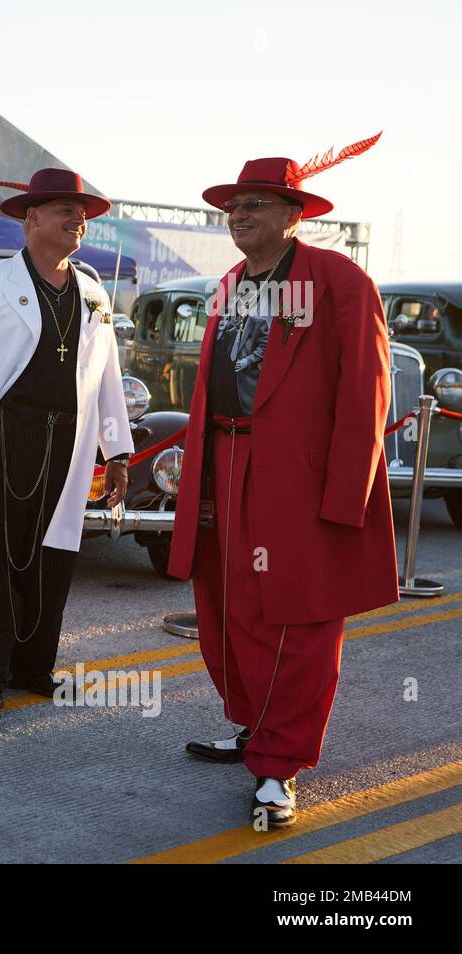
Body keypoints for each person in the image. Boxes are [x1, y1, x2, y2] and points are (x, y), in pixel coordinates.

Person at [168, 140, 397, 828]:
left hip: (296, 477)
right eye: (232, 206)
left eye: (253, 204)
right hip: (226, 467)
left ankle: (280, 766)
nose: (238, 214)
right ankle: (252, 726)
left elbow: (368, 389)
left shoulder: (337, 280)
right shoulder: (230, 285)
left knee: (296, 619)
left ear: (292, 213)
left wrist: (344, 496)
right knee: (227, 602)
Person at [0, 168, 133, 730]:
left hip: (68, 437)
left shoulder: (93, 291)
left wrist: (116, 450)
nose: (78, 219)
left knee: (53, 556)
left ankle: (32, 667)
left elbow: (108, 375)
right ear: (31, 218)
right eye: (65, 209)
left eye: (82, 211)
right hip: (1, 430)